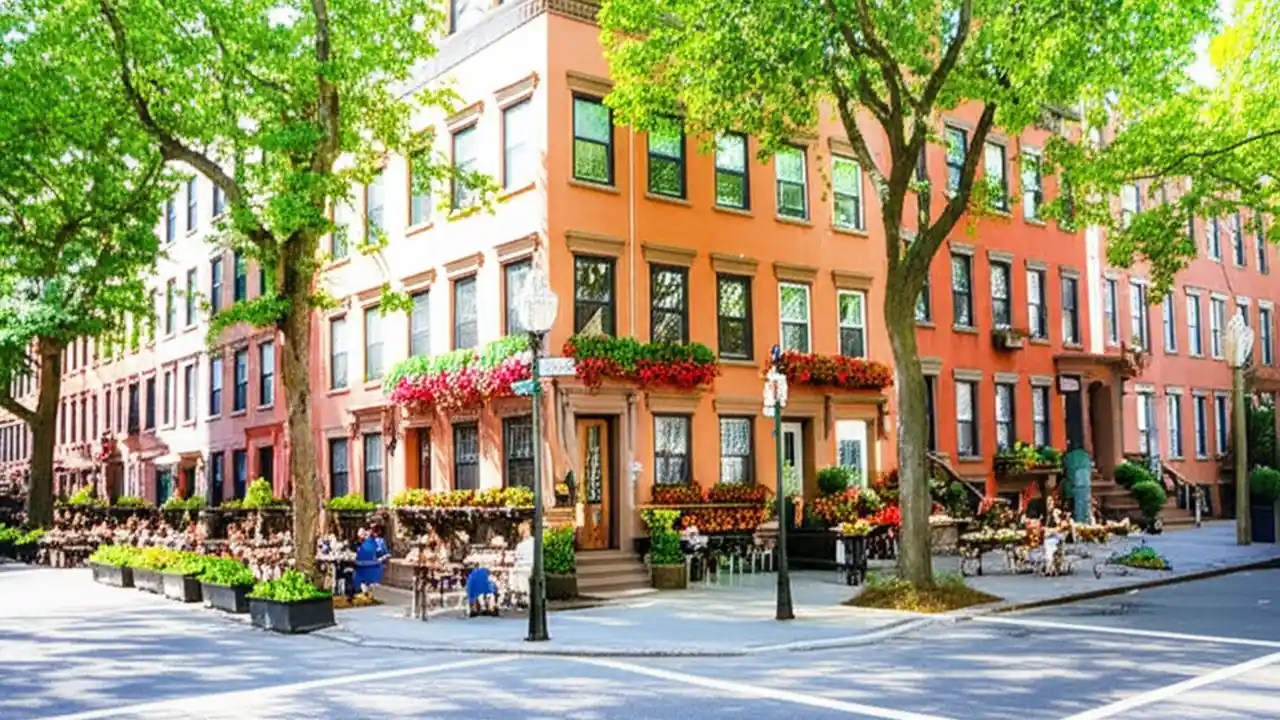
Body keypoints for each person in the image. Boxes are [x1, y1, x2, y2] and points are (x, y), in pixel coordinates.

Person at [352, 524, 390, 593]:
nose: (372, 532)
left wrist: (381, 559)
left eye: (375, 530)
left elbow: (387, 554)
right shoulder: (363, 542)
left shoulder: (380, 541)